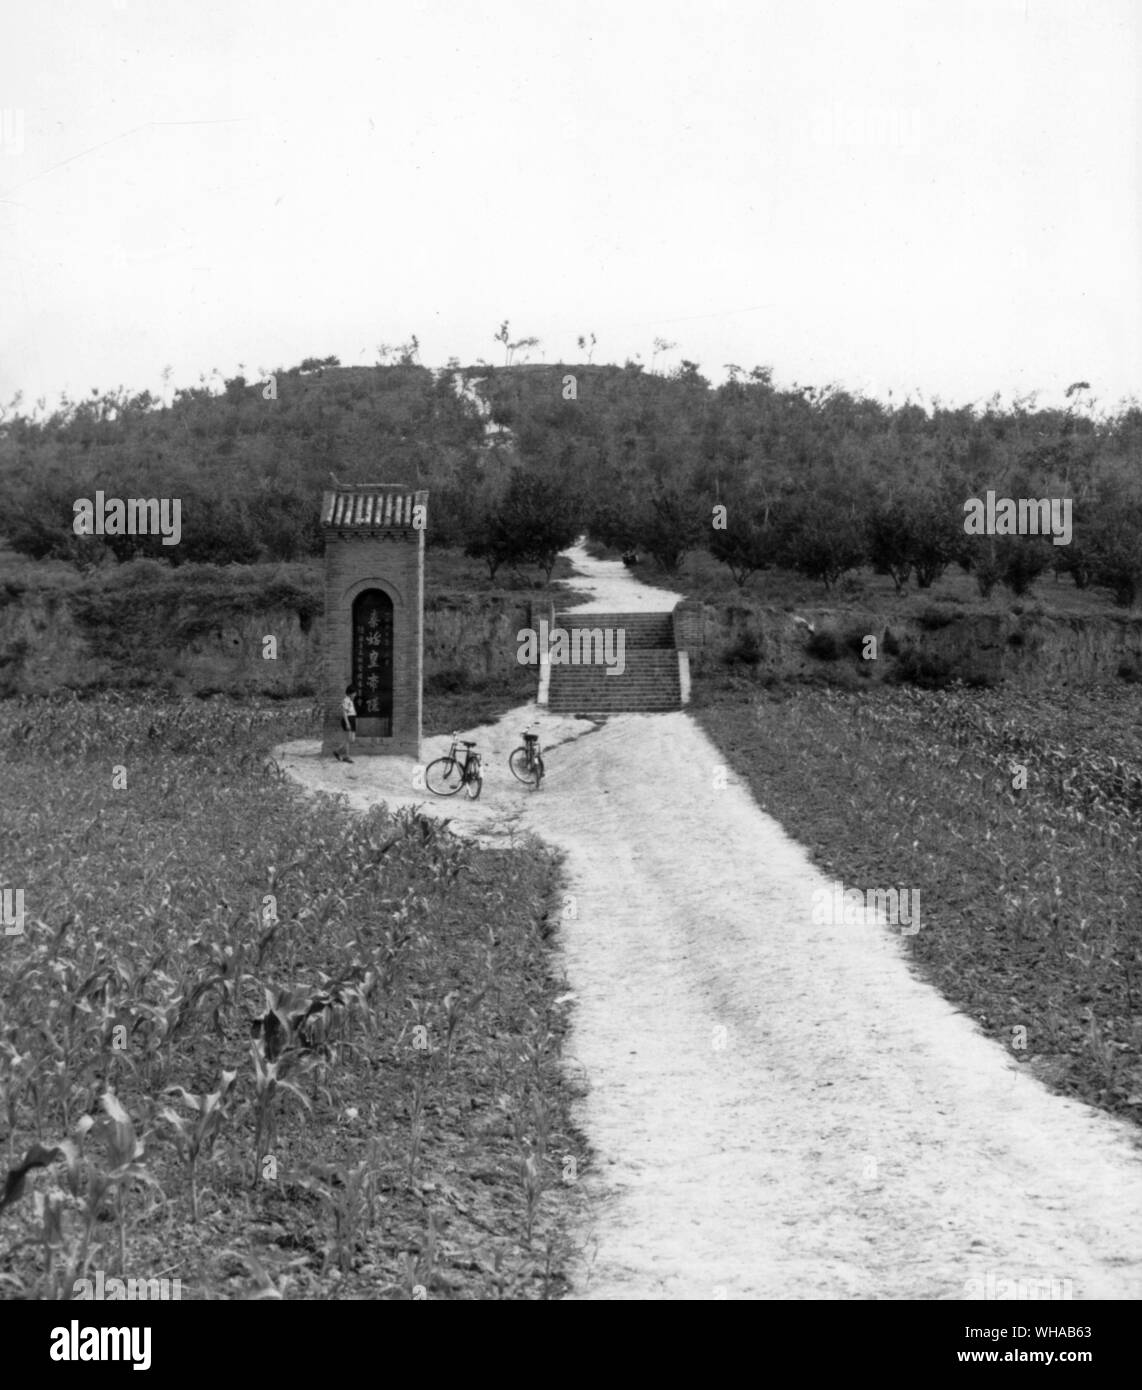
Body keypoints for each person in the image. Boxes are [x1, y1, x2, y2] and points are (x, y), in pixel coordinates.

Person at [337, 684, 358, 762]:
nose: (355, 695)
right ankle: (346, 756)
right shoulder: (346, 700)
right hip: (348, 720)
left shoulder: (350, 701)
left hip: (352, 719)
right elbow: (344, 712)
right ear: (350, 693)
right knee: (348, 739)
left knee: (352, 739)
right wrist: (347, 723)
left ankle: (338, 751)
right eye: (354, 693)